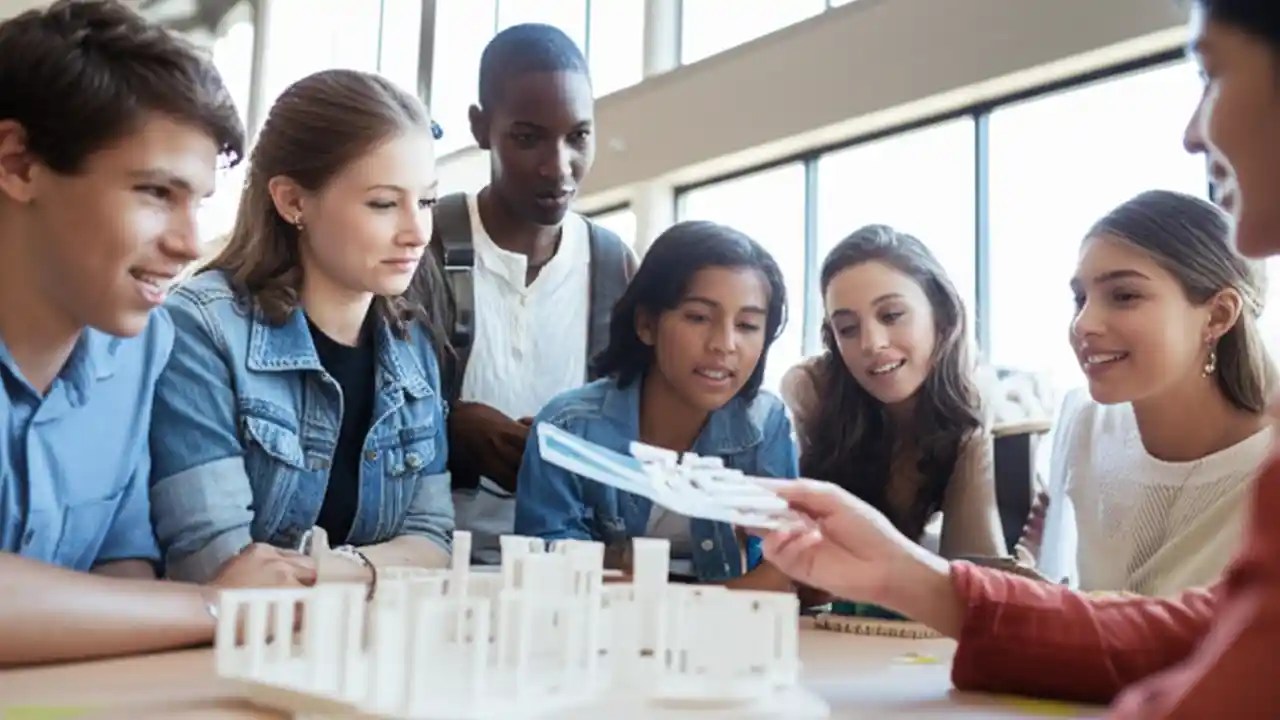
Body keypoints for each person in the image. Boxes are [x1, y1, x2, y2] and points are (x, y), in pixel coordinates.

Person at [758, 1, 1280, 715]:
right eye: (845, 326)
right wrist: (906, 574)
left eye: (1211, 74)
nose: (1192, 131)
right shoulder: (1083, 419)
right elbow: (1191, 633)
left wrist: (919, 578)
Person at [0, 0, 310, 668]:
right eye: (153, 193)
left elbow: (121, 566)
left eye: (196, 201)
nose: (188, 243)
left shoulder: (141, 350)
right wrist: (216, 606)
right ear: (19, 164)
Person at [149, 69, 454, 587]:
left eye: (425, 201)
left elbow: (434, 538)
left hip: (356, 650)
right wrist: (376, 571)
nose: (417, 231)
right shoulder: (202, 329)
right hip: (218, 654)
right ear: (292, 201)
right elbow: (215, 562)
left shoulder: (411, 348)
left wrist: (336, 571)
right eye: (383, 203)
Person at [412, 23, 636, 565]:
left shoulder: (615, 265)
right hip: (426, 559)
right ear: (481, 127)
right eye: (528, 137)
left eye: (578, 137)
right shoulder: (422, 242)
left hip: (570, 565)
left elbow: (643, 427)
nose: (558, 168)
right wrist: (451, 425)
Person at [514, 221, 798, 590]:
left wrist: (687, 613)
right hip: (595, 633)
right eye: (698, 317)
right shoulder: (567, 427)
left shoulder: (766, 423)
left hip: (722, 631)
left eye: (747, 325)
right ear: (647, 323)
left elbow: (785, 567)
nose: (724, 344)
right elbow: (549, 567)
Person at [1029, 190, 1273, 597]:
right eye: (1080, 298)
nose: (1083, 324)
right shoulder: (1084, 421)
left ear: (1218, 315)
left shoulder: (1269, 467)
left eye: (1123, 296)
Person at [780, 226, 1004, 562]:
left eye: (892, 315)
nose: (871, 343)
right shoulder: (814, 390)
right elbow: (807, 552)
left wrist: (974, 435)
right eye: (847, 329)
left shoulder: (971, 397)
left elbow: (978, 573)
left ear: (941, 316)